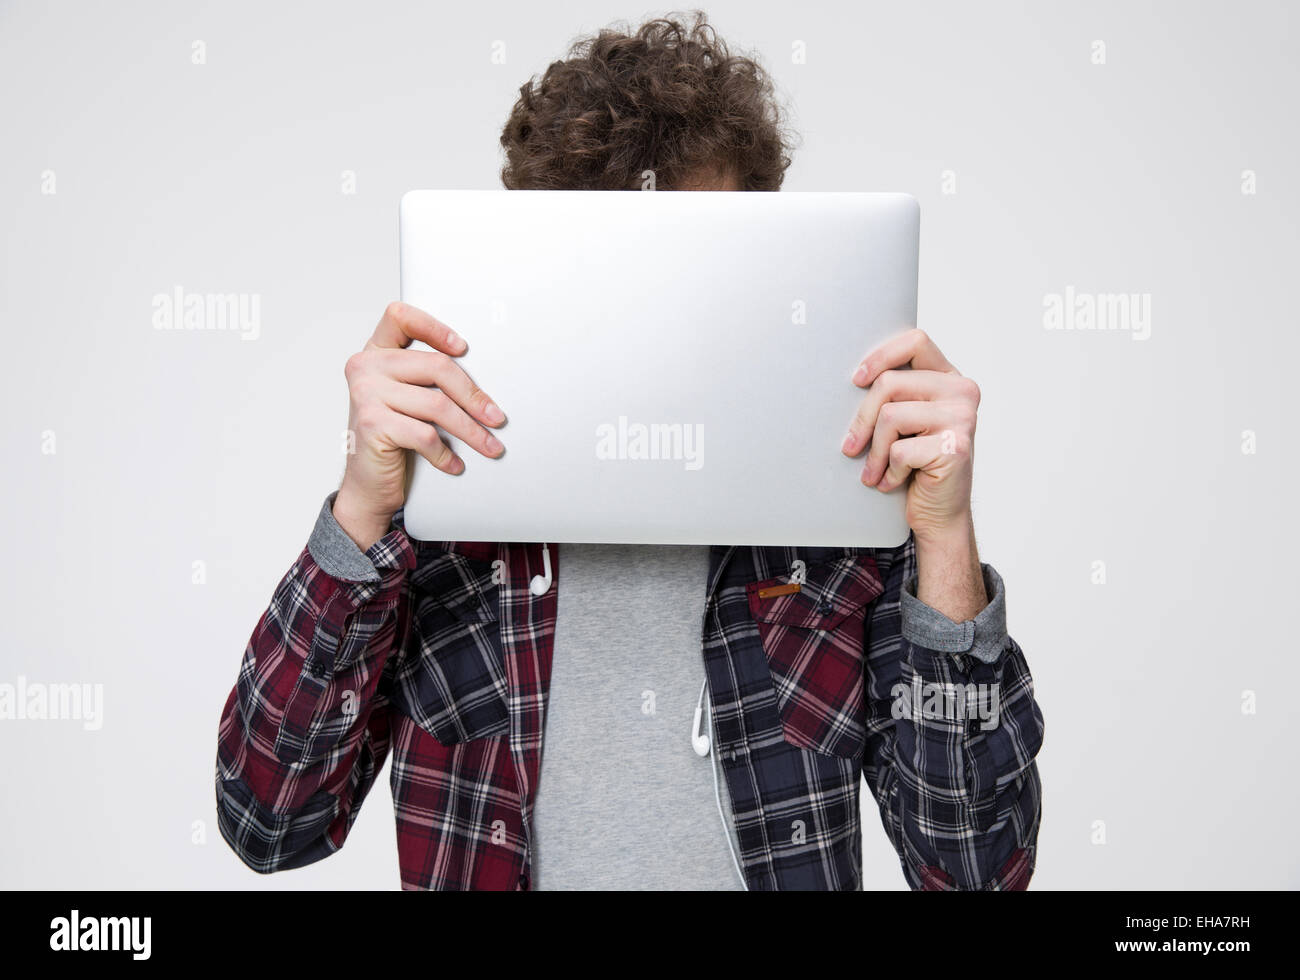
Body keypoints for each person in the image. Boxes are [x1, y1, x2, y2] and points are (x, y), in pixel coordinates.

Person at [215, 11, 1043, 891]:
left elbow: (978, 871)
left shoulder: (838, 512)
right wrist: (361, 513)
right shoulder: (444, 508)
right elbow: (269, 822)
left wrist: (946, 539)